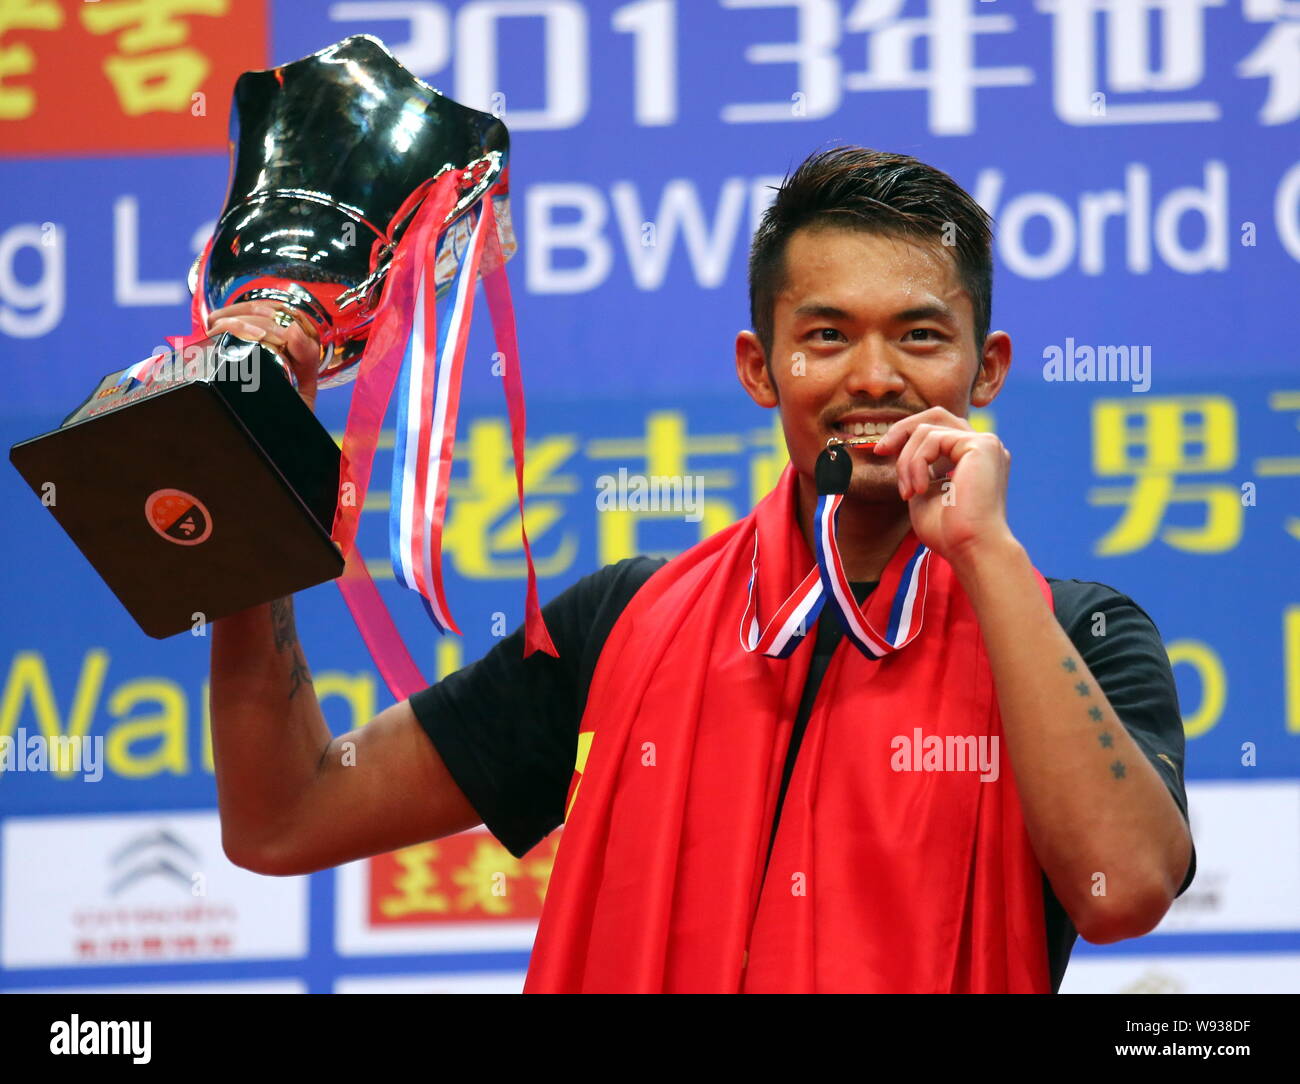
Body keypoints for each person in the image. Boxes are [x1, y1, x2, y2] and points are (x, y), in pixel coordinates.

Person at [208, 145, 1195, 994]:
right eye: (826, 335)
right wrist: (248, 471)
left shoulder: (1074, 632)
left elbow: (1126, 887)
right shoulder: (625, 623)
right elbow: (285, 815)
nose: (875, 376)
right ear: (759, 368)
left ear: (987, 369)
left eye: (920, 334)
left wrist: (984, 551)